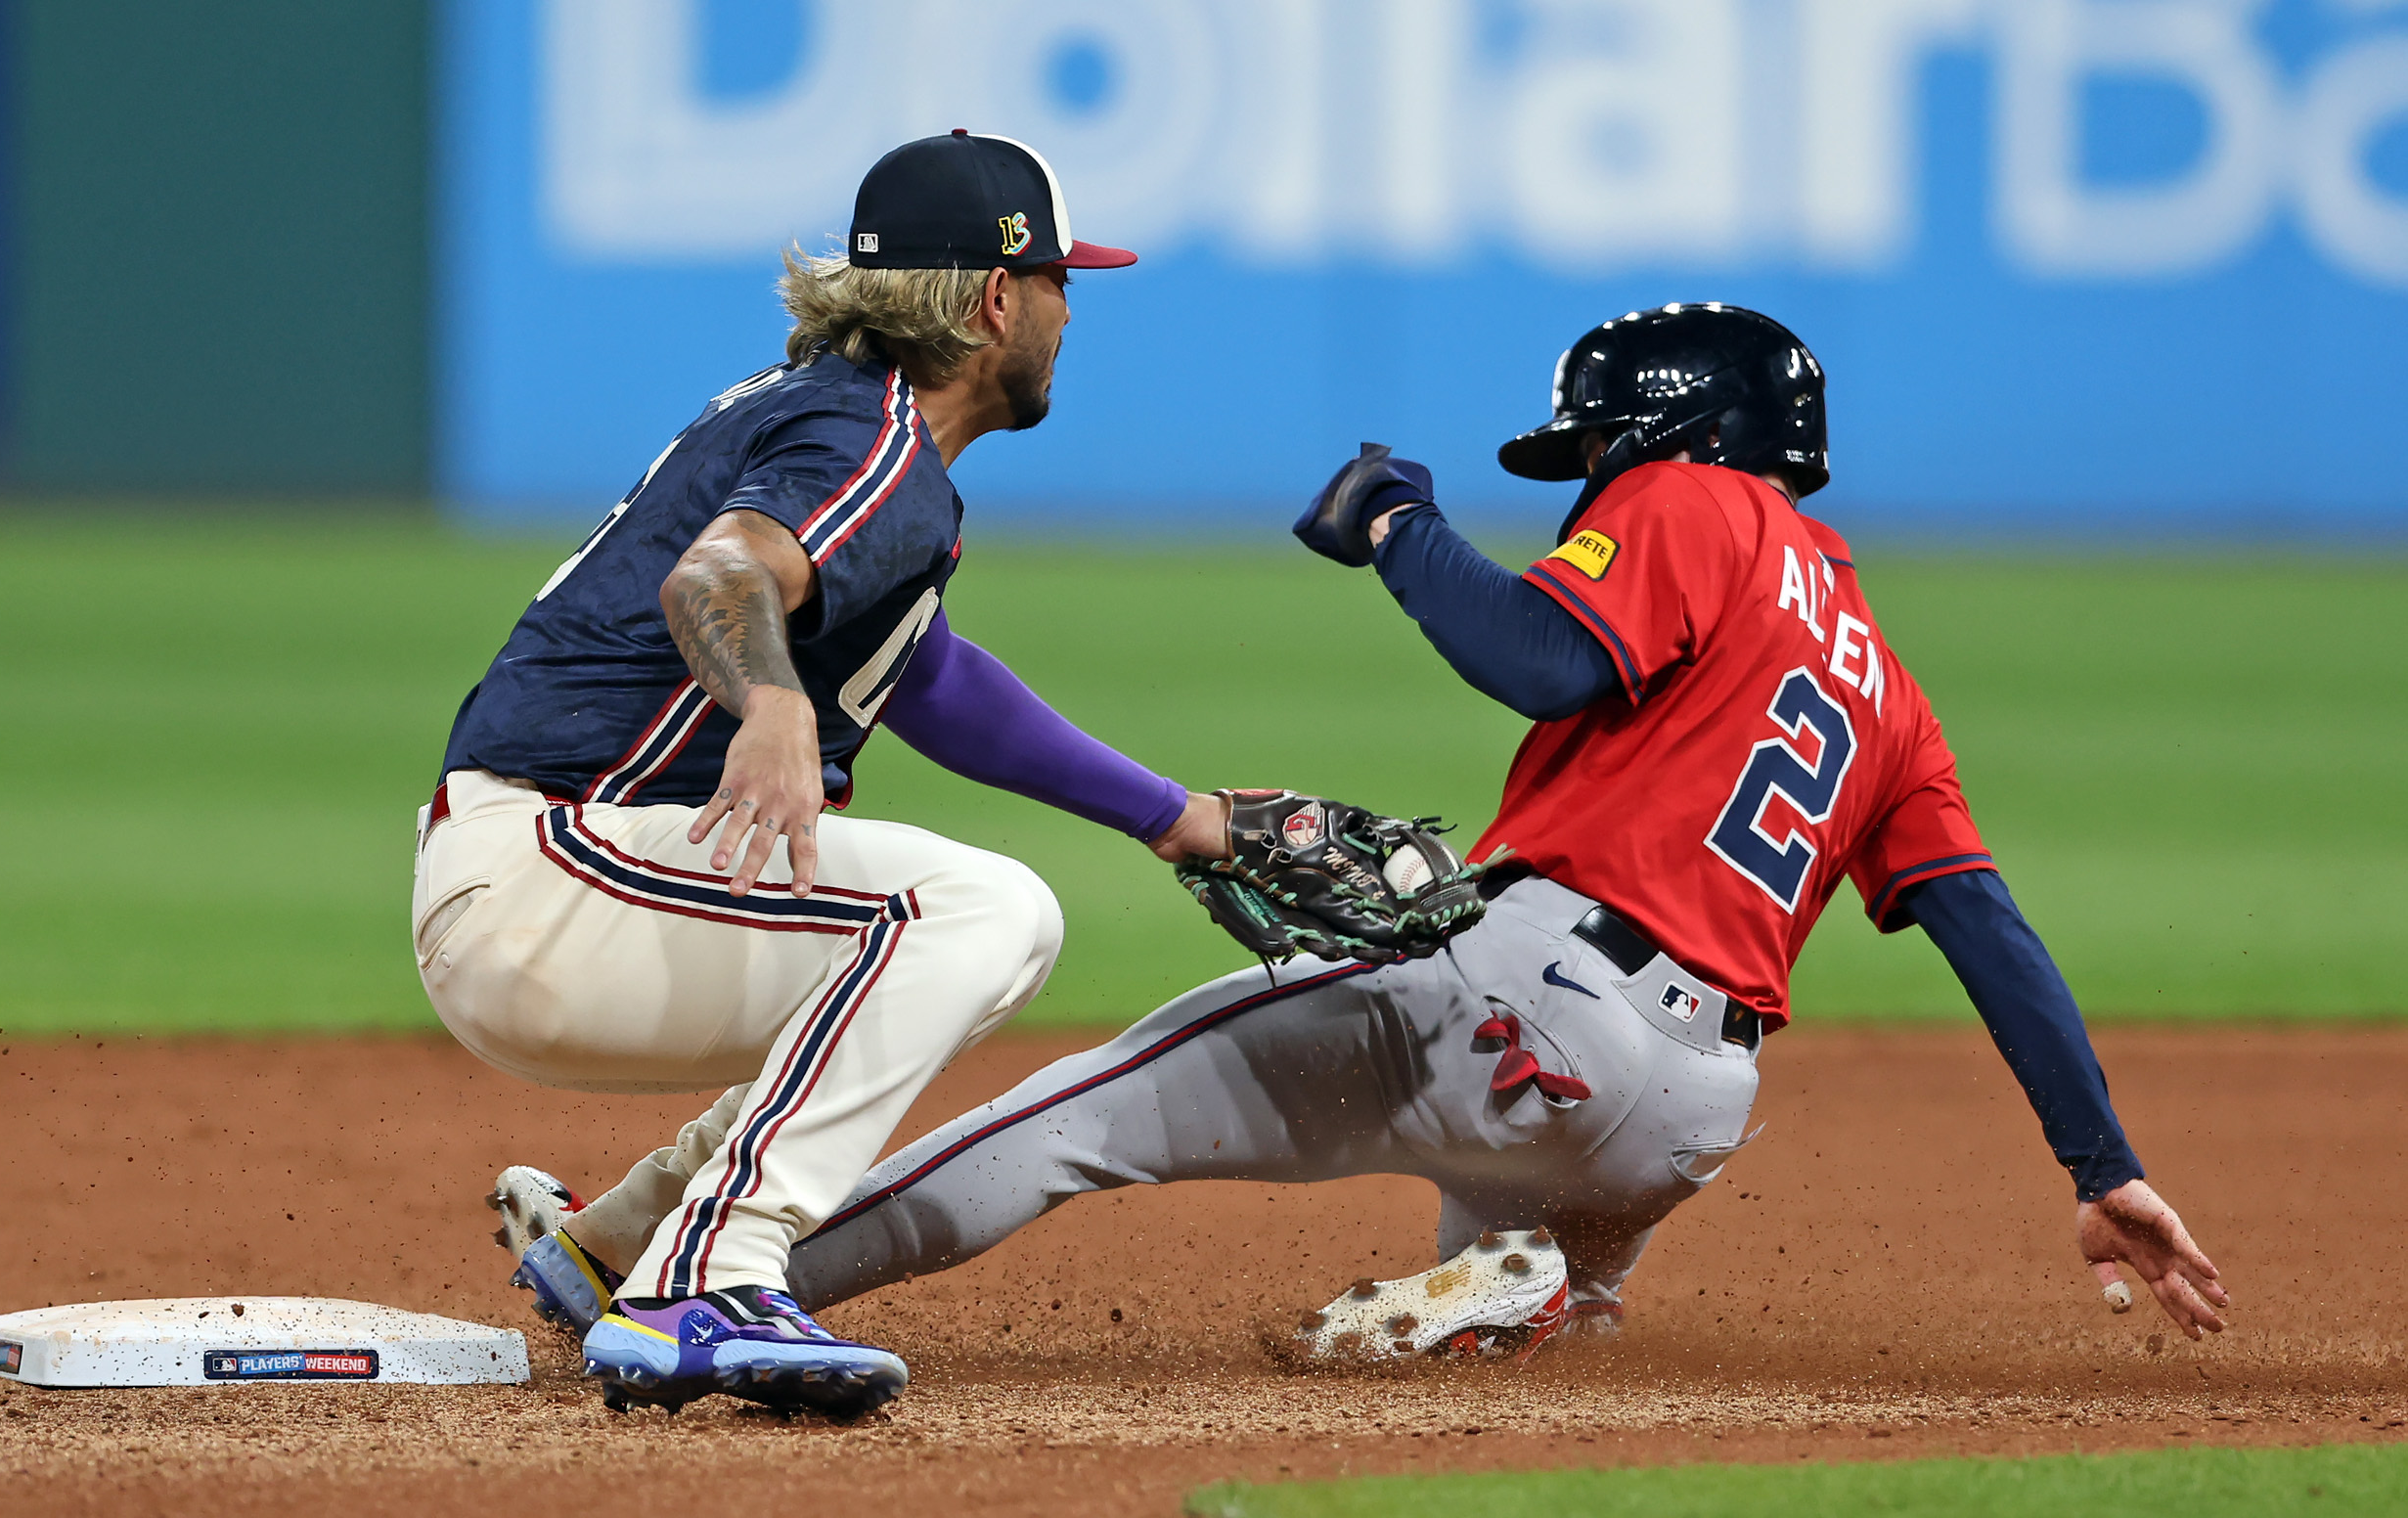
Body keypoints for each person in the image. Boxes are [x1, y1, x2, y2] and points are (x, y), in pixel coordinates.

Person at [502, 302, 2231, 1376]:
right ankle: (1541, 1284)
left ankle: (693, 1273)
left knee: (1077, 1114)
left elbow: (1538, 654)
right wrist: (2102, 1167)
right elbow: (1985, 928)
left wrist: (1402, 523)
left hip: (1529, 1004)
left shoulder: (1692, 501)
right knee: (1546, 1275)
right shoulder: (1881, 678)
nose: (1587, 487)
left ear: (1678, 440)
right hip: (1686, 1117)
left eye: (1598, 458)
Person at [421, 131, 1242, 1417]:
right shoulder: (868, 440)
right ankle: (711, 1272)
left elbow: (932, 682)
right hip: (553, 874)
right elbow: (718, 573)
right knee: (976, 912)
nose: (1069, 313)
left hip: (568, 883)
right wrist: (767, 702)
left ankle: (621, 1244)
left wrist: (1180, 821)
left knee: (910, 955)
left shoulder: (849, 435)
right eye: (1059, 284)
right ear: (991, 300)